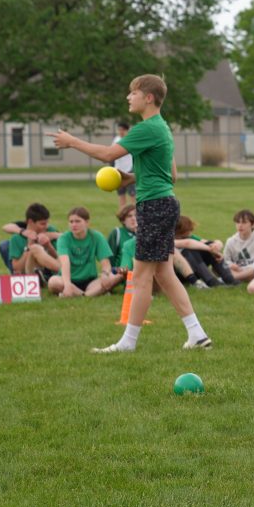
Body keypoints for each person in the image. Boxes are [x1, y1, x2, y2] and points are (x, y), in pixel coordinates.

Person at [49, 74, 213, 352]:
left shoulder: (146, 128)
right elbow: (171, 175)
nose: (128, 97)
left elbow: (107, 154)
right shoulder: (162, 127)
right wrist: (132, 178)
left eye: (133, 93)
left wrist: (72, 141)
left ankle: (128, 342)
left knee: (140, 277)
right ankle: (197, 334)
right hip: (165, 203)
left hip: (154, 207)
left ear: (148, 98)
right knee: (164, 274)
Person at [47, 207, 115, 298]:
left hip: (90, 281)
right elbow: (65, 263)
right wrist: (67, 285)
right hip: (69, 280)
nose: (74, 225)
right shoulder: (63, 238)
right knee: (53, 282)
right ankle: (89, 294)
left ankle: (80, 294)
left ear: (87, 222)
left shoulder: (97, 236)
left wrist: (105, 274)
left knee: (112, 277)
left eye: (77, 221)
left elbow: (105, 263)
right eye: (71, 222)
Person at [6, 202, 61, 283]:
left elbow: (59, 258)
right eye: (42, 224)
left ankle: (62, 273)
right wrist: (28, 247)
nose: (46, 226)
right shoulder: (16, 238)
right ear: (30, 222)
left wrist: (49, 246)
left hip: (52, 273)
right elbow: (17, 269)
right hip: (29, 273)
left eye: (47, 223)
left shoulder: (50, 230)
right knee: (34, 249)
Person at [174, 215, 236, 287]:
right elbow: (188, 243)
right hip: (182, 274)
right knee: (190, 251)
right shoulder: (170, 240)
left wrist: (217, 244)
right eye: (187, 231)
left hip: (194, 269)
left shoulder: (189, 236)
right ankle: (212, 282)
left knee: (209, 245)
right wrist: (211, 250)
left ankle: (229, 278)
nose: (190, 233)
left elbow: (208, 242)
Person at [224, 209, 254, 283]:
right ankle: (238, 277)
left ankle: (232, 278)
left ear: (253, 225)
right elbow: (225, 261)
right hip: (237, 270)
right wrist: (231, 265)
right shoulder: (231, 241)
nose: (240, 225)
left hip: (252, 269)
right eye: (238, 222)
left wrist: (245, 269)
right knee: (218, 268)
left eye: (244, 222)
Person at [106, 203, 137, 282]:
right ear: (123, 220)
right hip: (121, 272)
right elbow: (109, 258)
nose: (133, 218)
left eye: (136, 215)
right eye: (129, 216)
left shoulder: (145, 234)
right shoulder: (117, 233)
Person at [112, 121, 137, 206]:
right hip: (118, 171)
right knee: (121, 194)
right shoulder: (116, 139)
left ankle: (134, 211)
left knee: (132, 194)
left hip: (130, 170)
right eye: (119, 130)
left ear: (127, 130)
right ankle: (122, 211)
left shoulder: (131, 139)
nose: (120, 132)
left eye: (122, 130)